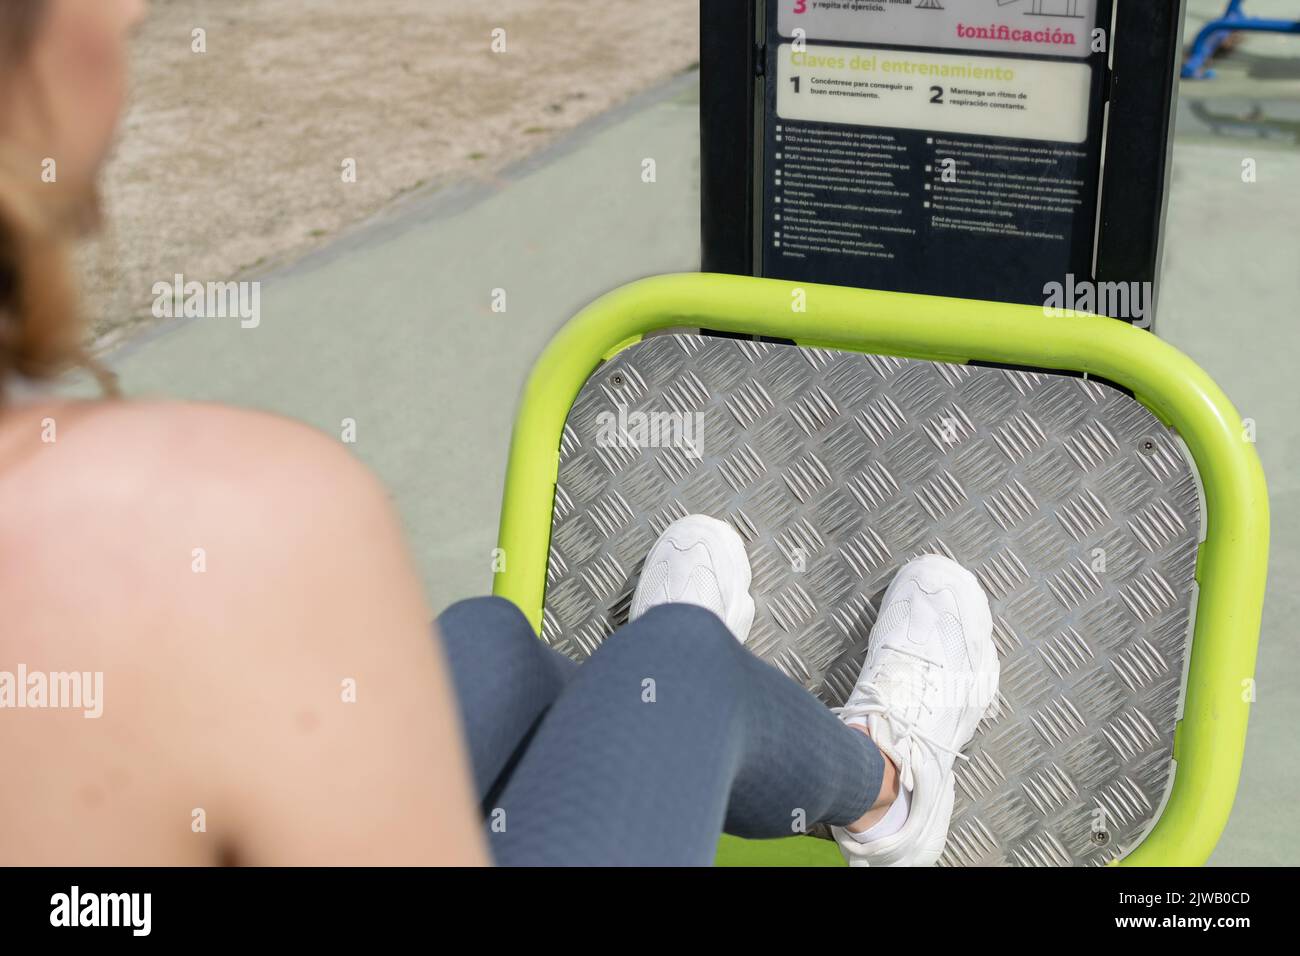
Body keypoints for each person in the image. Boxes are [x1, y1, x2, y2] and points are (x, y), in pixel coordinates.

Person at [0, 0, 999, 867]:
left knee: (497, 639)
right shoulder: (244, 504)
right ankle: (894, 791)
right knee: (683, 659)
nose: (132, 13)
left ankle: (639, 687)